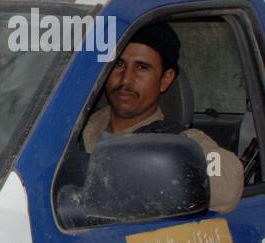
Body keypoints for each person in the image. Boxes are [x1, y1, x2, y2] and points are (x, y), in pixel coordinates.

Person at [73, 21, 242, 213]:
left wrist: (155, 172)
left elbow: (227, 179)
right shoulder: (75, 128)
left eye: (142, 67)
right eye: (118, 64)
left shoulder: (177, 140)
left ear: (165, 79)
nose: (126, 79)